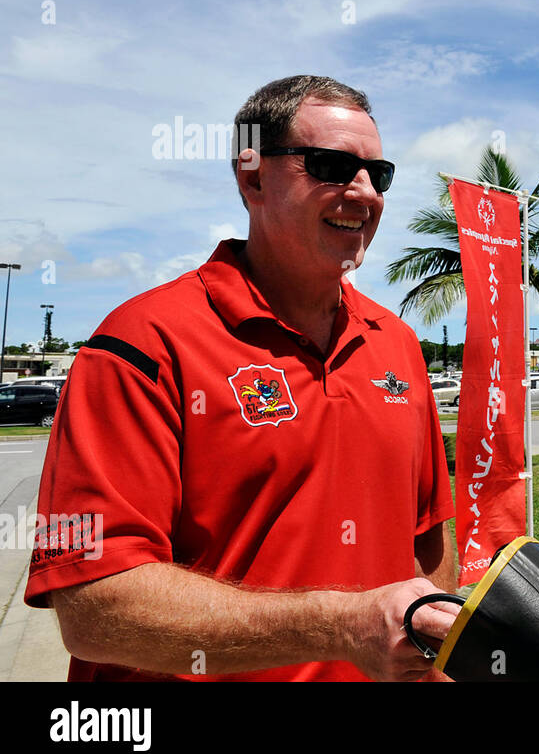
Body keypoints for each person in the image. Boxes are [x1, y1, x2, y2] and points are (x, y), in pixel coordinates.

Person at [24, 75, 461, 681]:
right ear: (252, 177)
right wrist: (341, 625)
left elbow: (428, 538)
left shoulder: (399, 345)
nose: (364, 193)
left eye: (377, 174)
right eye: (332, 165)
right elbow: (94, 607)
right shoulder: (141, 344)